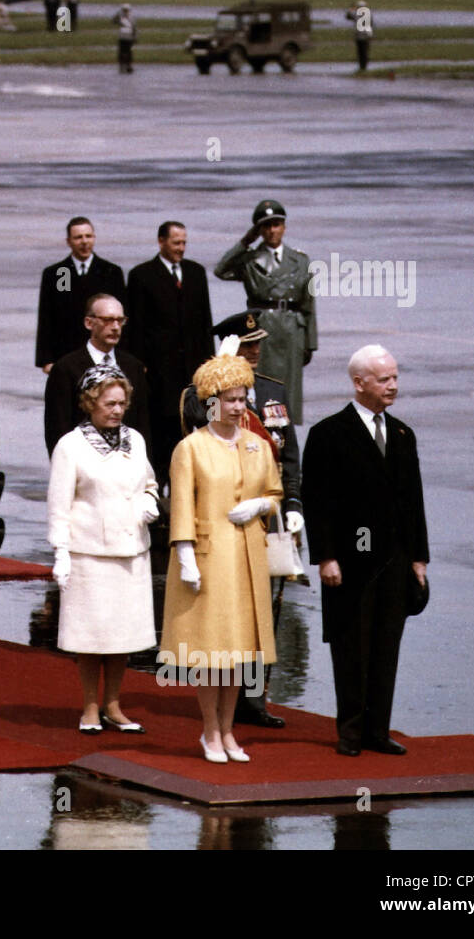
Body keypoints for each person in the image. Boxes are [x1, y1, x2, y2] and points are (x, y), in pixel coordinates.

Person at [302, 345, 428, 756]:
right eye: (384, 379)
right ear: (360, 383)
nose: (393, 386)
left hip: (393, 560)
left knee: (386, 646)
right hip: (349, 561)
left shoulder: (403, 434)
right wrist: (325, 556)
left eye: (395, 377)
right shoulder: (328, 433)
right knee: (351, 645)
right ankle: (351, 732)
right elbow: (316, 500)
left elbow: (414, 501)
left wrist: (418, 559)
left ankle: (378, 730)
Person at [181, 313, 302, 728]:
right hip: (222, 522)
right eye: (245, 346)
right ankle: (230, 704)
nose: (253, 353)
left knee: (264, 609)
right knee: (227, 612)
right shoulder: (199, 394)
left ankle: (255, 697)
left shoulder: (271, 391)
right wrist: (218, 374)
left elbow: (287, 456)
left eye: (256, 346)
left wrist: (295, 508)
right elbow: (198, 424)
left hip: (267, 517)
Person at [160, 352, 282, 763]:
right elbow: (180, 508)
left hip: (247, 558)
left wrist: (261, 506)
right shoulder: (190, 448)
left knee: (239, 654)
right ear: (211, 400)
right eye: (230, 398)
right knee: (212, 653)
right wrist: (185, 556)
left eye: (242, 397)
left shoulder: (255, 445)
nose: (238, 406)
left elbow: (276, 493)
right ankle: (210, 732)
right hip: (209, 560)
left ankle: (230, 732)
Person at [47, 365, 157, 730]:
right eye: (110, 403)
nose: (117, 410)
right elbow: (58, 504)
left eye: (122, 403)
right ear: (90, 403)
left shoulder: (136, 440)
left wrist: (149, 502)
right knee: (91, 636)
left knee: (123, 635)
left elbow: (149, 482)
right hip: (89, 553)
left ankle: (114, 706)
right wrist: (60, 552)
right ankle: (90, 708)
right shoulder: (70, 445)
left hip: (131, 551)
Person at [126, 220, 213, 483]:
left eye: (184, 243)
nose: (181, 248)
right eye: (176, 243)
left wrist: (209, 363)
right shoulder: (142, 275)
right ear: (161, 241)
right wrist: (138, 366)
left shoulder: (195, 272)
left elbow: (204, 321)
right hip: (160, 373)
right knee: (163, 432)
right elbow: (136, 326)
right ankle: (162, 483)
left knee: (193, 426)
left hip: (192, 370)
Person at [214, 200, 315, 423]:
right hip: (264, 329)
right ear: (259, 230)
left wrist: (310, 342)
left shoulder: (300, 260)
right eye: (266, 226)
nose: (272, 231)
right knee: (264, 387)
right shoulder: (250, 260)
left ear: (284, 227)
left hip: (291, 330)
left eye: (276, 224)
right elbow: (221, 270)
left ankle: (287, 443)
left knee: (289, 395)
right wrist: (245, 242)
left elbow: (309, 303)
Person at [44, 294, 151, 458]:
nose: (115, 327)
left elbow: (143, 425)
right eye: (107, 320)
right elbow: (57, 428)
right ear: (89, 323)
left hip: (125, 463)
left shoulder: (133, 367)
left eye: (120, 320)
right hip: (84, 465)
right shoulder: (66, 368)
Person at [36, 217, 126, 372]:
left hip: (103, 352)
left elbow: (122, 317)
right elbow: (48, 317)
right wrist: (46, 359)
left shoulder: (110, 272)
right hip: (67, 353)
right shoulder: (60, 273)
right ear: (69, 241)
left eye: (88, 236)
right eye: (78, 237)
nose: (84, 242)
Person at [346, 0, 373, 71]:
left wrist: (351, 8)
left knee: (361, 52)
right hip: (365, 36)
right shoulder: (367, 14)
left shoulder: (357, 14)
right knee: (364, 52)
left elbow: (348, 16)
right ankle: (363, 67)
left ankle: (362, 67)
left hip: (360, 36)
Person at [112, 4, 136, 73]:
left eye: (126, 10)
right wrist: (118, 14)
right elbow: (113, 21)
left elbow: (134, 28)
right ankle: (121, 65)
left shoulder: (132, 18)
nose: (125, 11)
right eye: (124, 10)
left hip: (129, 38)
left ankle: (129, 65)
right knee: (121, 52)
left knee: (129, 52)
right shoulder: (121, 17)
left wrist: (134, 37)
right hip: (122, 38)